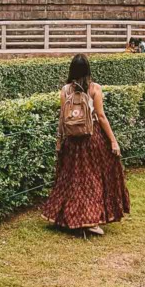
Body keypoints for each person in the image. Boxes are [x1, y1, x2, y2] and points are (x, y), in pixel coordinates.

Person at [42, 53, 130, 235]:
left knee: (71, 180)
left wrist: (59, 141)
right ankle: (91, 220)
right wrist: (113, 141)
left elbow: (62, 118)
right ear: (88, 69)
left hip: (72, 141)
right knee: (93, 179)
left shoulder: (65, 90)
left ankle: (64, 217)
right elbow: (101, 116)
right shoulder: (94, 88)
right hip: (92, 138)